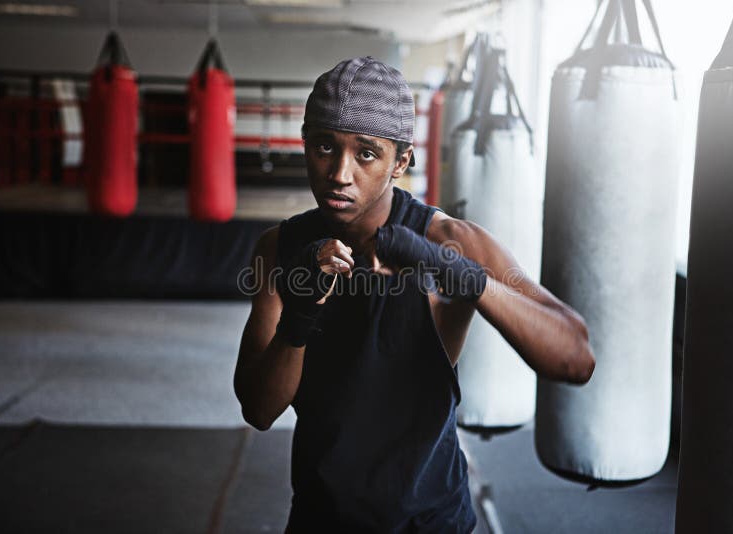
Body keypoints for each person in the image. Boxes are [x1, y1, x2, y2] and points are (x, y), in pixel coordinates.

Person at [234, 56, 595, 533]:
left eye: (366, 154)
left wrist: (461, 274)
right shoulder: (280, 249)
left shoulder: (451, 241)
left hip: (431, 524)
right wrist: (300, 315)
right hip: (320, 520)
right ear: (305, 144)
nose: (340, 173)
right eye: (324, 147)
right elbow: (259, 410)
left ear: (400, 161)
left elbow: (575, 357)